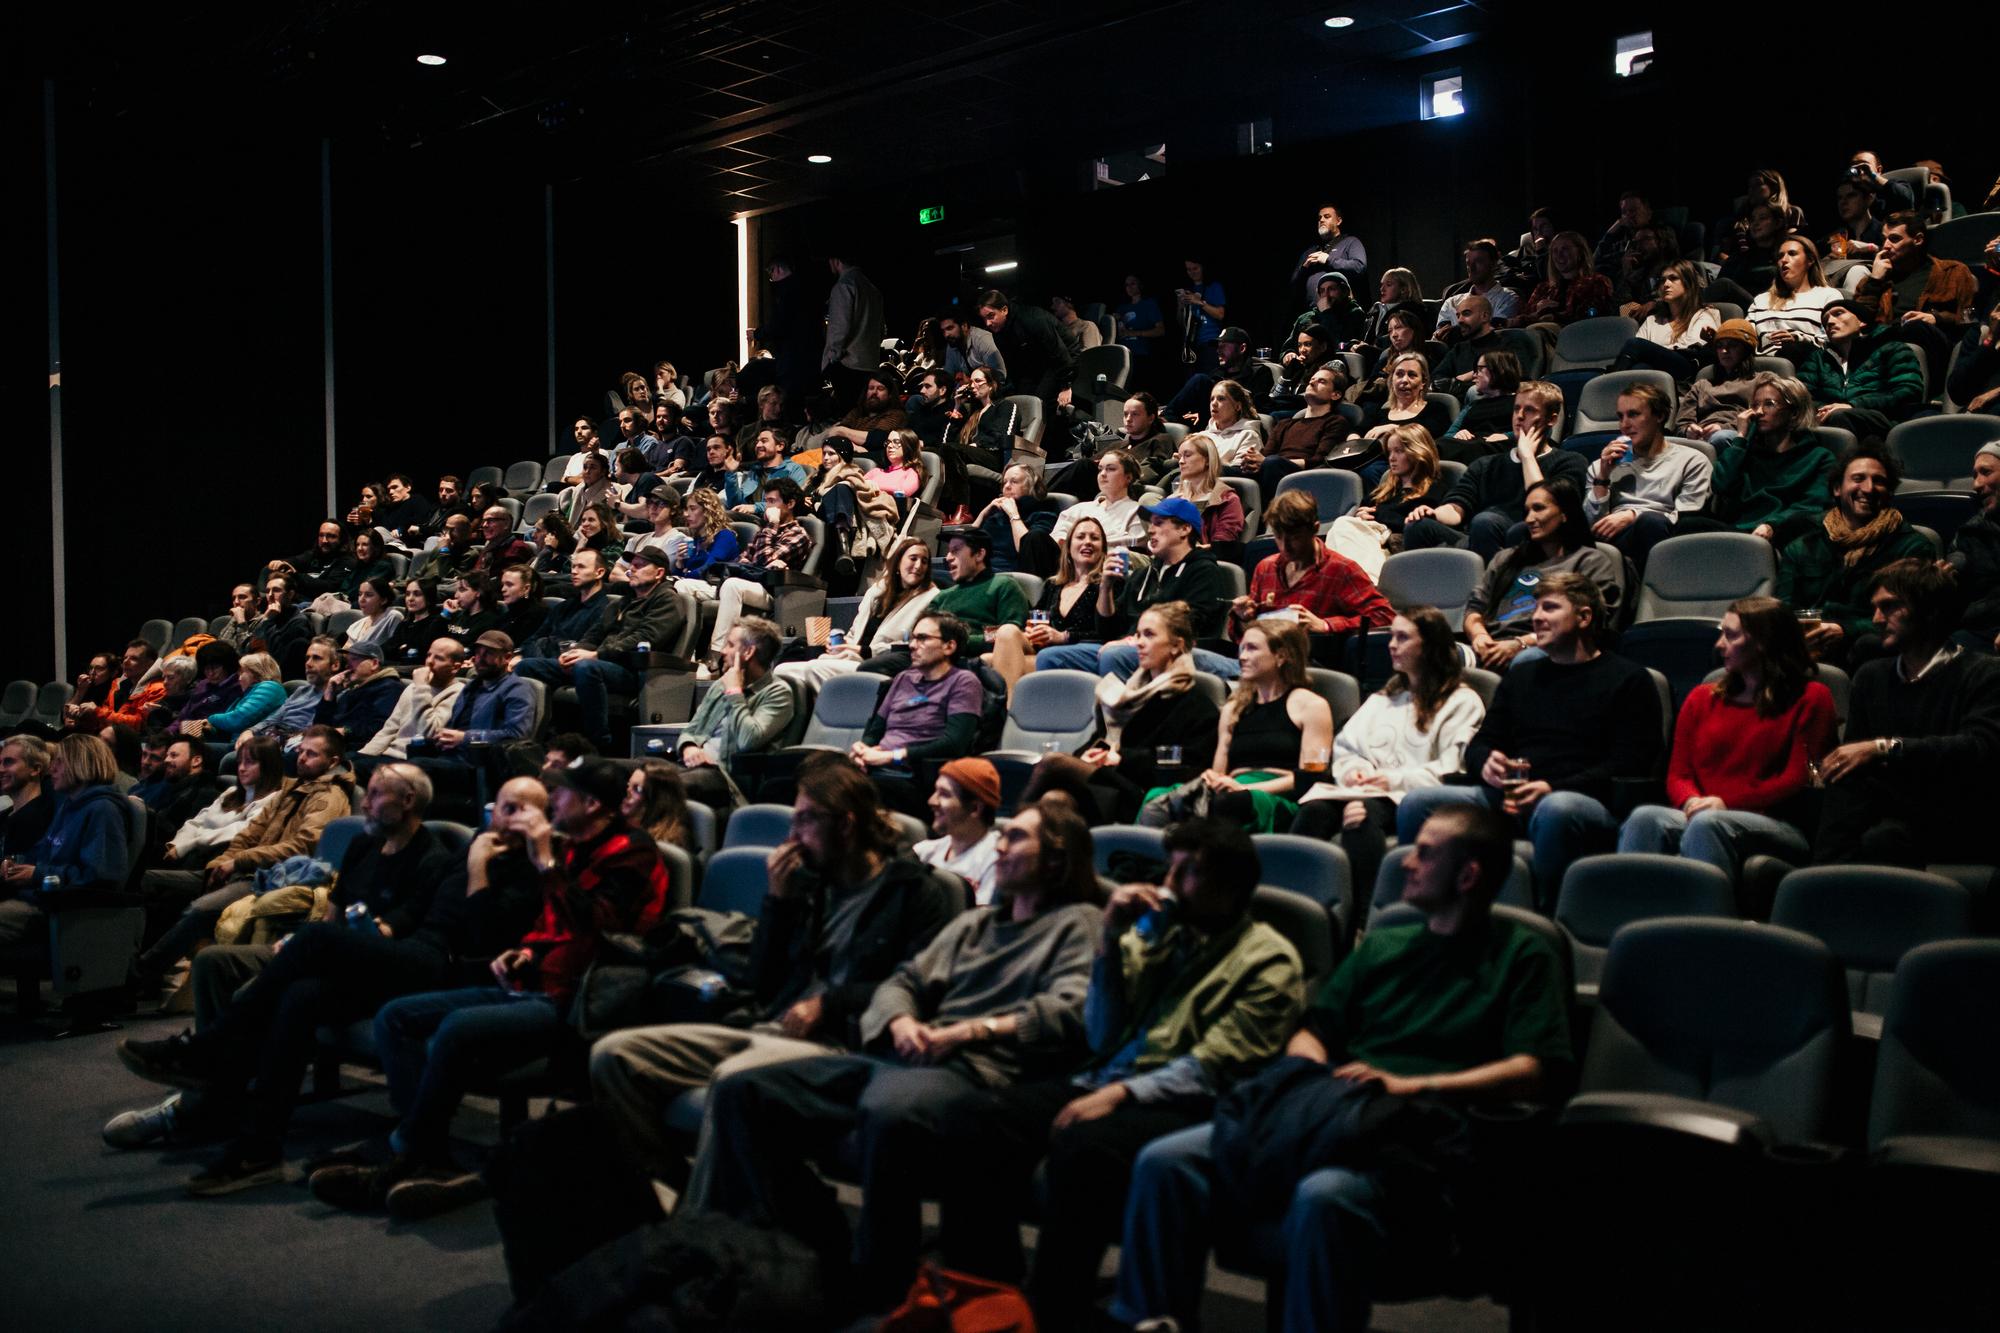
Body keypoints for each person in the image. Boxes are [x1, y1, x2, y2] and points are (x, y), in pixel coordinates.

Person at [1112, 804, 1570, 1333]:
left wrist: (1415, 1084)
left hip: (1430, 1138)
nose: (1404, 863)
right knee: (1166, 1162)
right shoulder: (1384, 944)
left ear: (1468, 875)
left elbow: (1536, 1069)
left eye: (1424, 853)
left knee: (1324, 1194)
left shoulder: (1522, 954)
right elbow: (1316, 1028)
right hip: (1342, 1112)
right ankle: (1151, 1321)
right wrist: (1308, 1066)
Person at [690, 796, 1101, 1312]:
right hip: (910, 1054)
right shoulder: (974, 925)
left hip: (979, 1070)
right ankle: (809, 1239)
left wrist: (968, 1032)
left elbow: (1071, 1008)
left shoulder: (1079, 924)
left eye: (1017, 837)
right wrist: (903, 1019)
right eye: (1002, 834)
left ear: (1058, 858)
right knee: (741, 1091)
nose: (1000, 844)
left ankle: (881, 1279)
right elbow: (902, 981)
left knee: (890, 1110)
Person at [934, 817, 1305, 1329]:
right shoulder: (1158, 934)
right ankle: (987, 1293)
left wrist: (1121, 1095)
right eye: (1169, 871)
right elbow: (1099, 1035)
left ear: (1230, 886)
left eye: (1187, 874)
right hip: (1104, 1077)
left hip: (1191, 1104)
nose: (1168, 886)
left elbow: (1214, 1068)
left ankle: (1052, 1308)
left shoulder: (1270, 961)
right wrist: (1110, 939)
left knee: (1087, 1144)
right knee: (976, 1117)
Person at [310, 758, 670, 1218]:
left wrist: (545, 863)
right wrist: (526, 952)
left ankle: (404, 1154)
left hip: (582, 998)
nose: (551, 803)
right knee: (396, 1015)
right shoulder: (575, 846)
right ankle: (426, 1150)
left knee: (458, 1026)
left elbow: (600, 929)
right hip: (537, 982)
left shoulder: (630, 851)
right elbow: (554, 927)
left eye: (559, 794)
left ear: (591, 803)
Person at [588, 753, 957, 1192]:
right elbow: (757, 981)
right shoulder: (809, 883)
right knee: (614, 1056)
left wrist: (829, 1003)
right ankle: (672, 1191)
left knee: (733, 1081)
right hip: (771, 1025)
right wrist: (777, 903)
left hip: (843, 1046)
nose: (792, 836)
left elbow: (915, 989)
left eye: (805, 821)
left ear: (845, 824)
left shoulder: (916, 892)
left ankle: (702, 1227)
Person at [110, 762, 464, 1190]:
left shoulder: (434, 859)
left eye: (375, 795)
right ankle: (258, 1150)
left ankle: (207, 1057)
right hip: (345, 968)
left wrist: (318, 942)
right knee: (299, 994)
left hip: (399, 968)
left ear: (408, 801)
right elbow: (335, 915)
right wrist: (302, 946)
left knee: (312, 941)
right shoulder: (362, 848)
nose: (365, 804)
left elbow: (397, 933)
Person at [1396, 573, 1662, 895]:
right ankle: (1426, 909)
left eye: (1549, 608)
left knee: (1556, 808)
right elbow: (1482, 742)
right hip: (1509, 795)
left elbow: (1630, 764)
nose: (1536, 617)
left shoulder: (1629, 680)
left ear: (1584, 617)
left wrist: (1552, 787)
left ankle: (1549, 917)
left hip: (1584, 801)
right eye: (1536, 609)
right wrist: (1486, 764)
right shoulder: (1522, 676)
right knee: (1417, 803)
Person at [1619, 599, 1837, 888]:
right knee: (1646, 817)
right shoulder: (1701, 698)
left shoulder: (1811, 697)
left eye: (1731, 636)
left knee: (1708, 824)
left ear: (1764, 642)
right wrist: (1692, 800)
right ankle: (1630, 912)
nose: (1720, 645)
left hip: (1777, 822)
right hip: (1705, 813)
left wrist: (1726, 803)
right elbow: (1678, 774)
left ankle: (1705, 921)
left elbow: (1796, 778)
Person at [128, 726, 354, 987]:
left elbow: (302, 846)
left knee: (199, 910)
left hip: (272, 877)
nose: (302, 758)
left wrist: (239, 861)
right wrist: (222, 861)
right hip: (245, 869)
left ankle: (139, 976)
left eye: (311, 754)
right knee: (146, 880)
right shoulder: (291, 789)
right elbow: (249, 834)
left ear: (333, 761)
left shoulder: (329, 797)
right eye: (301, 751)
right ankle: (122, 963)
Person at [1813, 558, 2000, 870]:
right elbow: (1854, 764)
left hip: (1957, 811)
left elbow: (1979, 749)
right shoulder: (1871, 677)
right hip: (1889, 809)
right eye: (1874, 608)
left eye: (1889, 607)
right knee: (1843, 784)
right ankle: (1820, 881)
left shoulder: (1984, 674)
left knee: (1884, 838)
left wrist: (1884, 747)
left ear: (1930, 610)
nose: (1875, 619)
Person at [1296, 609, 1484, 906]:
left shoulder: (1462, 701)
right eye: (1391, 636)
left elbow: (1453, 766)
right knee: (1313, 811)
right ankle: (1298, 904)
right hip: (1365, 788)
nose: (1391, 645)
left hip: (1415, 799)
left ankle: (1364, 918)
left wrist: (1388, 780)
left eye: (1402, 638)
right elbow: (1349, 748)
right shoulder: (1384, 698)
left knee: (1360, 817)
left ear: (1430, 645)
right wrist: (1354, 771)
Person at [1777, 444, 1937, 668]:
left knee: (1867, 645)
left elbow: (1910, 617)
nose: (1869, 488)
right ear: (1837, 488)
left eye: (1879, 481)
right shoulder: (1804, 546)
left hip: (1870, 650)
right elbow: (1783, 609)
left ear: (1889, 493)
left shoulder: (1912, 548)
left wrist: (1844, 630)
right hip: (1804, 645)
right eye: (1858, 478)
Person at [1042, 497, 1236, 680]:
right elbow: (1108, 629)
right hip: (1127, 647)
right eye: (1150, 524)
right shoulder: (1143, 575)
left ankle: (1124, 713)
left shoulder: (1203, 570)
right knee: (1049, 657)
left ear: (1184, 529)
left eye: (1159, 523)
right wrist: (1106, 587)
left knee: (1113, 655)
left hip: (1174, 650)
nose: (1150, 530)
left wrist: (1136, 639)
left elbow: (1194, 622)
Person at [1182, 619, 1334, 834]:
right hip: (1232, 788)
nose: (1242, 657)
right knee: (1160, 797)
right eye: (1242, 648)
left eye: (1252, 648)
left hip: (1276, 796)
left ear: (1281, 656)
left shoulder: (1311, 706)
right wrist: (1213, 778)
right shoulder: (1234, 708)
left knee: (1229, 803)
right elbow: (1219, 772)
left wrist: (1247, 788)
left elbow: (1309, 777)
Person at [1463, 479, 1622, 670]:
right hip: (1491, 645)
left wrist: (1521, 643)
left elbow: (1589, 621)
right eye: (1527, 511)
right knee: (1437, 657)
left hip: (1548, 647)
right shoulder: (1506, 559)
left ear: (1564, 514)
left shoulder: (1590, 561)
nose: (1529, 518)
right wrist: (1480, 637)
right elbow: (1474, 609)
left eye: (1539, 508)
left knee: (1526, 661)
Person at [0, 735, 133, 948]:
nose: (51, 769)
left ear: (80, 763)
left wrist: (37, 874)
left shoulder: (103, 810)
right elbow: (43, 851)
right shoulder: (69, 805)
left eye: (59, 762)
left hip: (61, 913)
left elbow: (99, 877)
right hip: (36, 899)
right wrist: (14, 864)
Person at [850, 613, 985, 809]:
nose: (913, 645)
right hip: (878, 767)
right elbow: (875, 730)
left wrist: (892, 756)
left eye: (922, 638)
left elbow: (954, 743)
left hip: (916, 775)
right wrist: (863, 749)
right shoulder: (903, 678)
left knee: (843, 793)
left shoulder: (963, 682)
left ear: (949, 646)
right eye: (913, 638)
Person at [1231, 489, 1394, 647]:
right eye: (1279, 537)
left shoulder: (1341, 569)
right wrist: (1244, 618)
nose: (1285, 547)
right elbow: (1243, 634)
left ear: (1314, 529)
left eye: (1294, 538)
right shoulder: (1266, 568)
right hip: (1265, 660)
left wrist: (1325, 625)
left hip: (1314, 663)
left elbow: (1385, 617)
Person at [1693, 372, 1837, 545]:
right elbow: (1720, 485)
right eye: (1755, 405)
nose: (1759, 412)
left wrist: (1772, 526)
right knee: (1687, 526)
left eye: (1769, 404)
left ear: (1793, 413)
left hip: (1782, 534)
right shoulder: (1746, 452)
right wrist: (1741, 437)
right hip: (1737, 530)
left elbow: (1812, 505)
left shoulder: (1820, 458)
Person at [1582, 381, 1714, 569]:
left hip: (1669, 540)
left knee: (1651, 522)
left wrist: (1634, 515)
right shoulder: (1601, 466)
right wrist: (1602, 478)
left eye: (1633, 415)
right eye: (1620, 417)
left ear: (1659, 416)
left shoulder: (1692, 461)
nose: (1624, 425)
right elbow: (1591, 525)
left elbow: (1688, 519)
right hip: (1613, 543)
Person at [777, 540, 936, 691]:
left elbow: (908, 650)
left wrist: (862, 650)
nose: (918, 565)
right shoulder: (877, 592)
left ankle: (834, 713)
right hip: (851, 656)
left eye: (924, 561)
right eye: (913, 558)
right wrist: (841, 643)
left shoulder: (930, 598)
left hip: (877, 664)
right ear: (898, 562)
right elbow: (854, 633)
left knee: (814, 668)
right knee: (783, 670)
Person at [865, 526, 1028, 670]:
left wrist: (961, 642)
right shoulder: (943, 596)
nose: (948, 557)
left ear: (979, 554)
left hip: (971, 657)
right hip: (935, 653)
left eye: (956, 550)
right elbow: (921, 632)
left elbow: (1010, 633)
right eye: (948, 551)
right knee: (873, 666)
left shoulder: (1003, 585)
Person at [673, 617, 794, 811]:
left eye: (730, 645)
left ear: (748, 652)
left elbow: (748, 740)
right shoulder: (722, 683)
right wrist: (689, 748)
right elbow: (692, 729)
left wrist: (735, 692)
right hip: (693, 768)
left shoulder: (778, 692)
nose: (723, 651)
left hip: (727, 782)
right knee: (627, 771)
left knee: (665, 786)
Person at [695, 479, 811, 676]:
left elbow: (765, 561)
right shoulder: (764, 533)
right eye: (766, 502)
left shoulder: (799, 534)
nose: (768, 508)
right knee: (684, 587)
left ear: (790, 504)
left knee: (731, 585)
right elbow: (743, 561)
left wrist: (772, 526)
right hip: (747, 584)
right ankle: (685, 662)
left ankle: (716, 657)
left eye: (773, 502)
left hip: (772, 591)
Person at [988, 517, 1106, 696]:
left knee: (995, 663)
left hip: (1076, 653)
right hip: (1044, 649)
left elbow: (1110, 630)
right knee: (1005, 633)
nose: (1087, 542)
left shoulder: (1107, 585)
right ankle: (1009, 711)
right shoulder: (1054, 585)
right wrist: (1033, 631)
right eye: (1080, 537)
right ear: (1068, 545)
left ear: (1103, 548)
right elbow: (1037, 617)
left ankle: (1008, 713)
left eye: (1094, 538)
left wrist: (1063, 636)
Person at [1856, 211, 1979, 375]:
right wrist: (1875, 281)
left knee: (1915, 327)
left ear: (1918, 240)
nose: (1885, 246)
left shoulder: (1953, 272)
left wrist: (1936, 318)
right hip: (1884, 348)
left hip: (1933, 349)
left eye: (1894, 239)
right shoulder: (1872, 282)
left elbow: (1968, 321)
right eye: (1884, 238)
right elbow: (1857, 321)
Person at [1793, 297, 1925, 442]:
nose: (1829, 322)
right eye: (1825, 320)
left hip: (1882, 419)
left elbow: (1908, 390)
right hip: (1829, 419)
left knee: (1841, 417)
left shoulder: (1892, 348)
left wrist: (1853, 405)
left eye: (1838, 314)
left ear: (1862, 321)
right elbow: (1801, 395)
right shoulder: (1818, 358)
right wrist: (1825, 409)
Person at [162, 736, 283, 872]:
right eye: (240, 762)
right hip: (187, 854)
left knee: (148, 881)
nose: (242, 768)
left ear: (268, 766)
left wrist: (188, 845)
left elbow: (237, 833)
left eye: (249, 762)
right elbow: (196, 822)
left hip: (212, 863)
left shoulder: (273, 800)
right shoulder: (230, 792)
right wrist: (176, 844)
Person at [1031, 450, 1146, 576]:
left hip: (1106, 570)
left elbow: (1133, 548)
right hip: (1067, 566)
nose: (1102, 474)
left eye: (1110, 469)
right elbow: (1057, 538)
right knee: (1035, 538)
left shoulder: (1137, 511)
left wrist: (1082, 545)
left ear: (1128, 477)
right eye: (1100, 469)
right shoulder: (1078, 509)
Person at [1255, 364, 1362, 498]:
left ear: (1335, 395)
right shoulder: (1284, 424)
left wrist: (1268, 462)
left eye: (1321, 381)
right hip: (1273, 469)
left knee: (1272, 463)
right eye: (1312, 379)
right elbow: (1266, 454)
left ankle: (1268, 517)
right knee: (1230, 471)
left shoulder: (1335, 422)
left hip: (1305, 476)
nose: (1312, 382)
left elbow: (1320, 460)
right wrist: (1253, 460)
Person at [912, 757, 1005, 903]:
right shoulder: (924, 852)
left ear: (975, 808)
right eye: (935, 791)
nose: (932, 801)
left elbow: (981, 921)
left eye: (944, 794)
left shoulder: (998, 860)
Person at [1609, 259, 1720, 381]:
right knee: (1641, 367)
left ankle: (1611, 382)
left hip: (1686, 369)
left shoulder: (1704, 314)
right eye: (1662, 280)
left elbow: (1693, 349)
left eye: (1673, 278)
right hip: (1658, 375)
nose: (1666, 284)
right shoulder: (1652, 320)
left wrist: (1653, 352)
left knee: (1634, 344)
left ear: (1688, 283)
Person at [361, 637, 468, 761]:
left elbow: (430, 734)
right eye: (428, 655)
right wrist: (364, 755)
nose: (429, 662)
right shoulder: (413, 687)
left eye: (438, 658)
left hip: (413, 760)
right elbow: (389, 729)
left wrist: (422, 687)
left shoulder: (459, 693)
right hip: (388, 754)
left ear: (455, 667)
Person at [1346, 424, 1451, 547]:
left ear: (1417, 452)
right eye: (1389, 452)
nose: (1391, 458)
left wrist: (1377, 515)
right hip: (1370, 543)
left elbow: (1414, 526)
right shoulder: (1385, 490)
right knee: (1344, 524)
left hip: (1399, 549)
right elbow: (1364, 509)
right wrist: (1360, 516)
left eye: (1399, 451)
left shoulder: (1434, 490)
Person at [979, 288, 1074, 423]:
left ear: (1004, 310)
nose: (987, 323)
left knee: (1040, 401)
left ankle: (1050, 441)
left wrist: (1066, 386)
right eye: (984, 319)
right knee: (1018, 400)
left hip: (1064, 359)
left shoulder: (1032, 319)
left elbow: (1059, 352)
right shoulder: (999, 332)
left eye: (991, 316)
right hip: (1039, 363)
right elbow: (1013, 364)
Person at [1748, 236, 1844, 355]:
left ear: (1810, 260)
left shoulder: (1828, 296)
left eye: (1792, 254)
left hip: (1808, 365)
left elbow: (1837, 340)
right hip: (1765, 367)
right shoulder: (1761, 300)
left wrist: (1799, 340)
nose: (1784, 260)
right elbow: (1746, 337)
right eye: (1780, 256)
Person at [1945, 442, 2000, 651]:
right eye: (1975, 475)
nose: (1976, 485)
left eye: (1985, 472)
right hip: (1980, 634)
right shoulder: (1971, 533)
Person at [1516, 230, 1615, 342]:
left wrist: (1555, 315)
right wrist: (1537, 310)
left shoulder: (1596, 282)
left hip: (1578, 335)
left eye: (1565, 249)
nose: (1559, 255)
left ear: (1580, 252)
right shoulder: (1544, 288)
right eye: (1554, 251)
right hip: (1542, 335)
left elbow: (1593, 313)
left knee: (1536, 330)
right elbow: (1526, 314)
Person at [1678, 320, 1763, 440]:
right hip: (1701, 437)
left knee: (1720, 438)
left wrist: (1724, 427)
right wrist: (1688, 430)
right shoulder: (1702, 385)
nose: (1724, 351)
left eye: (1732, 345)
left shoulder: (1761, 380)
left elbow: (1764, 416)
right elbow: (1682, 423)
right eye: (1720, 346)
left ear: (1746, 349)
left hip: (1738, 434)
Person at [754, 256, 824, 400]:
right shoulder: (809, 289)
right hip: (813, 357)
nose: (771, 279)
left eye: (771, 274)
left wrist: (757, 333)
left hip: (792, 359)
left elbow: (778, 325)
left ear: (777, 270)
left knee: (792, 400)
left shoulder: (785, 293)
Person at [822, 252, 886, 406]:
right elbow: (881, 329)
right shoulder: (872, 289)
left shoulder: (844, 286)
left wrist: (832, 357)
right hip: (869, 361)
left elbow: (839, 327)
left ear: (836, 260)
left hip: (848, 363)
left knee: (849, 413)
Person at [972, 462, 1059, 573]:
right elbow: (966, 546)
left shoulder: (1043, 511)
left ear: (1031, 485)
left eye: (1014, 481)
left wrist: (1013, 515)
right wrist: (983, 514)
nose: (1007, 486)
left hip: (1009, 575)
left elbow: (1027, 551)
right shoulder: (997, 514)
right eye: (1004, 482)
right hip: (979, 571)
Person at [182, 651, 286, 743]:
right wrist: (209, 728)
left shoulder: (270, 687)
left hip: (256, 746)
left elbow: (237, 720)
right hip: (238, 743)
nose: (239, 678)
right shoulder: (247, 693)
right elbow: (229, 729)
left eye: (242, 672)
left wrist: (210, 719)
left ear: (257, 672)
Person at [250, 636, 340, 742]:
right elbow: (274, 718)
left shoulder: (337, 697)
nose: (308, 663)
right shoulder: (301, 691)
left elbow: (316, 731)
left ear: (335, 665)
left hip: (298, 745)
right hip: (274, 739)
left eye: (316, 658)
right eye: (307, 658)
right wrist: (251, 731)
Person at [1169, 433, 1245, 554]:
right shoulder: (1175, 497)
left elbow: (1222, 544)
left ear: (1208, 460)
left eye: (1187, 455)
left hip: (1202, 562)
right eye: (1179, 457)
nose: (1181, 461)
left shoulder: (1227, 499)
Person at [1434, 238, 1520, 332]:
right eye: (1468, 263)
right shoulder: (1452, 302)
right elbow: (1440, 336)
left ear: (1494, 264)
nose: (1471, 268)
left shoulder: (1507, 298)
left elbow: (1492, 333)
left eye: (1478, 262)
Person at [1290, 203, 1369, 304]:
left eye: (1327, 217)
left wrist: (1328, 260)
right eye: (1319, 218)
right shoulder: (1309, 252)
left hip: (1341, 312)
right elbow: (1293, 284)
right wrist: (1304, 269)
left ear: (1339, 221)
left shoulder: (1351, 242)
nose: (1321, 220)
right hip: (1312, 314)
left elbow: (1359, 267)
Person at [1440, 351, 1523, 446]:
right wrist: (1457, 434)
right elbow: (1448, 435)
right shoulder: (1472, 405)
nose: (1474, 375)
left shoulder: (1519, 403)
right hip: (1467, 445)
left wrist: (1507, 436)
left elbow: (1532, 431)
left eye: (1479, 369)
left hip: (1494, 449)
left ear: (1498, 371)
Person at [1433, 294, 1508, 393]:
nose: (1459, 320)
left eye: (1466, 314)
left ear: (1485, 316)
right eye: (1458, 315)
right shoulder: (1459, 349)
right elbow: (1436, 379)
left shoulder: (1506, 345)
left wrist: (1461, 380)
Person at [0, 736, 55, 866]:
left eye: (8, 762)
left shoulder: (41, 817)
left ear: (35, 769)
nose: (0, 769)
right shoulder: (5, 816)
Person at [676, 486, 741, 582]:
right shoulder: (695, 540)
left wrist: (685, 575)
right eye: (686, 509)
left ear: (708, 511)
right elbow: (678, 574)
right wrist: (679, 563)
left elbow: (709, 568)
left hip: (716, 586)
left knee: (680, 586)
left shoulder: (725, 536)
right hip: (692, 585)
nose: (686, 514)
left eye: (693, 509)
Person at [380, 578, 446, 671]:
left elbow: (420, 654)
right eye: (407, 594)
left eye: (417, 594)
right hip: (397, 667)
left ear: (428, 597)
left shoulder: (436, 623)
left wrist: (402, 649)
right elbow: (386, 649)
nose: (410, 598)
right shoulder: (405, 624)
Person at [1113, 274, 1167, 385]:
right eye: (1127, 285)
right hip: (1123, 356)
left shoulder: (1149, 304)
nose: (1129, 287)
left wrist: (1134, 333)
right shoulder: (1122, 308)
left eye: (1133, 283)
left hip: (1142, 355)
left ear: (1140, 285)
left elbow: (1160, 330)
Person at [938, 311, 1008, 383]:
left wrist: (969, 381)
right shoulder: (952, 344)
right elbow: (948, 378)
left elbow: (1000, 375)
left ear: (964, 326)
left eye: (950, 328)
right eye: (943, 331)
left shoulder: (981, 339)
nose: (946, 335)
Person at [440, 571, 502, 649]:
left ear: (478, 592)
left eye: (462, 590)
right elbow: (430, 639)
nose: (456, 595)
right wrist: (445, 614)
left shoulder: (489, 621)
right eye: (457, 590)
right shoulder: (456, 614)